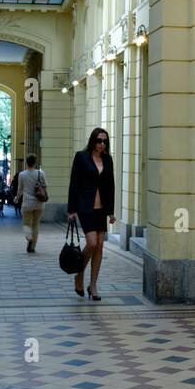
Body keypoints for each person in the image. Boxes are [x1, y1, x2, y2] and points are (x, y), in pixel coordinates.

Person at [67, 127, 115, 301]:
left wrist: (110, 212)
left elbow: (110, 186)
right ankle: (79, 274)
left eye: (105, 141)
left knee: (100, 246)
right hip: (85, 207)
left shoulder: (108, 159)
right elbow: (74, 183)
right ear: (93, 140)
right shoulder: (81, 157)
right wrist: (71, 209)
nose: (102, 144)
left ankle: (92, 285)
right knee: (92, 243)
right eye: (99, 141)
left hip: (101, 209)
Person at [15, 155, 46, 252]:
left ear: (26, 163)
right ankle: (32, 247)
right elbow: (45, 186)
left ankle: (29, 237)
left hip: (27, 203)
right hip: (39, 203)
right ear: (35, 163)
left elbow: (20, 189)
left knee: (26, 224)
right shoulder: (41, 173)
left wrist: (17, 198)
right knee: (35, 225)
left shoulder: (22, 175)